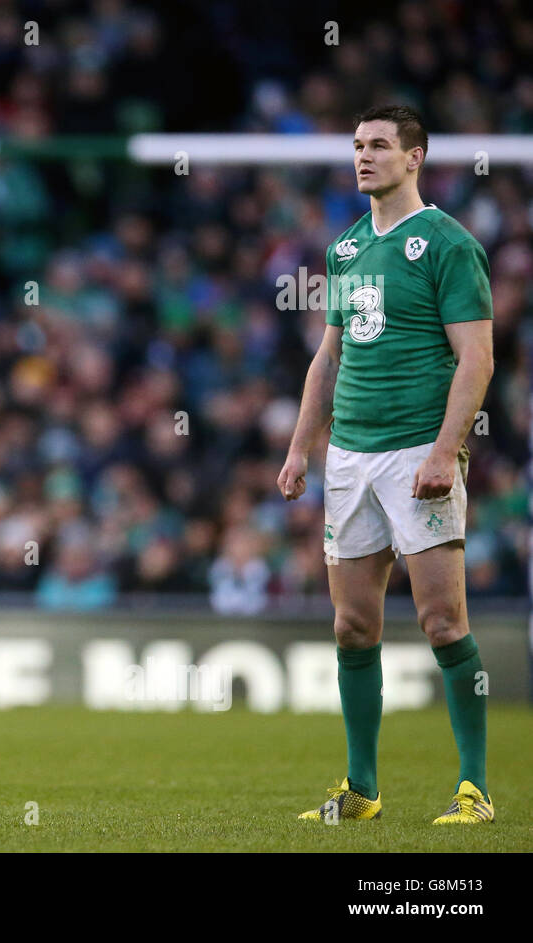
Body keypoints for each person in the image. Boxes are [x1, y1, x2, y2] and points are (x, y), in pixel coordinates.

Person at [278, 106, 494, 824]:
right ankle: (362, 789)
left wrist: (442, 448)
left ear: (414, 158)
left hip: (415, 452)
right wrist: (301, 445)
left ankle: (474, 789)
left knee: (440, 619)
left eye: (378, 146)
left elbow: (477, 356)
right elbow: (329, 357)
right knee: (351, 626)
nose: (364, 157)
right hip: (350, 458)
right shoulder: (343, 249)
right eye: (357, 145)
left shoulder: (446, 244)